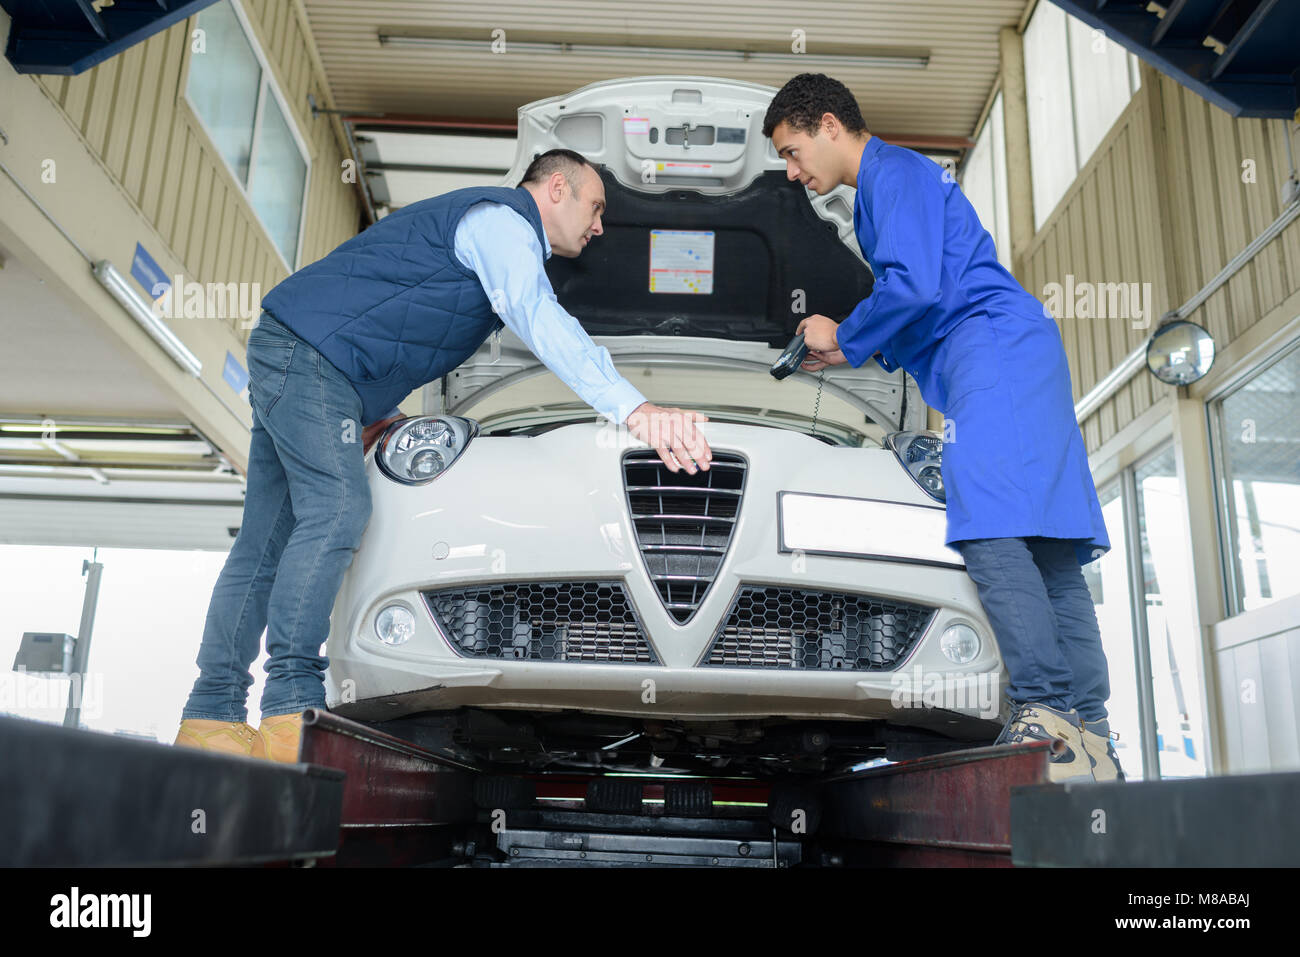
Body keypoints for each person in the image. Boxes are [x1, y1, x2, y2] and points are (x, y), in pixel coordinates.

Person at [173, 149, 712, 762]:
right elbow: (535, 314)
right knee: (338, 510)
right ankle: (290, 703)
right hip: (311, 361)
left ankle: (210, 715)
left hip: (305, 356)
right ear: (557, 187)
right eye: (595, 207)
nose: (599, 227)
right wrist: (635, 410)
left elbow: (383, 311)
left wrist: (378, 415)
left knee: (266, 542)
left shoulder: (486, 230)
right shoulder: (502, 223)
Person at [763, 73, 1123, 783]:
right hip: (1009, 354)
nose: (792, 171)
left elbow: (919, 289)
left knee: (988, 526)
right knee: (1046, 547)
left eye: (793, 150)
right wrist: (844, 347)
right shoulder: (886, 195)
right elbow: (925, 302)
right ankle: (1091, 735)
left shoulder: (891, 176)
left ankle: (1046, 714)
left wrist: (848, 330)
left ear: (830, 124)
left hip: (988, 352)